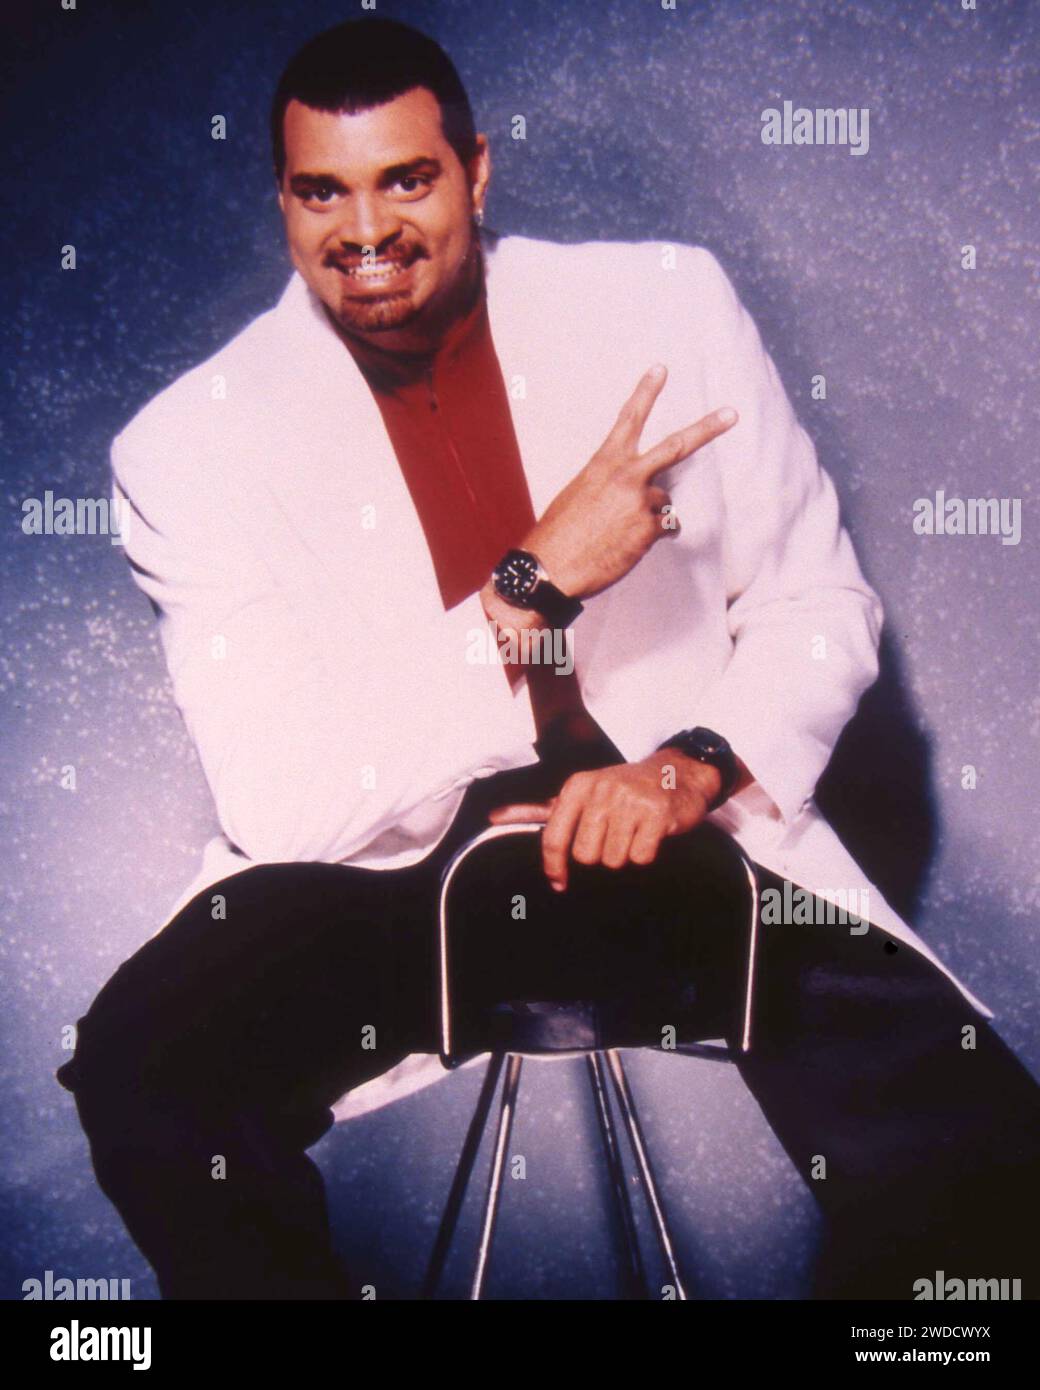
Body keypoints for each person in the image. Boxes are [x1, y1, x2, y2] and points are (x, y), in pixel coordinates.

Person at [56, 18, 1039, 1300]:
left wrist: (688, 767)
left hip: (680, 841)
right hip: (380, 881)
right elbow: (282, 796)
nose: (367, 230)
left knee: (972, 1152)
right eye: (323, 190)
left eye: (406, 178)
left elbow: (817, 602)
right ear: (282, 202)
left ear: (476, 170)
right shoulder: (185, 447)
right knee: (148, 1066)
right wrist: (531, 582)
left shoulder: (666, 304)